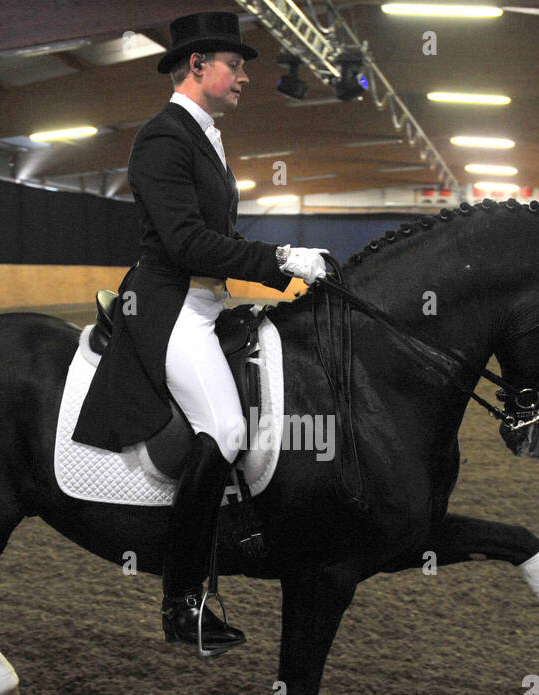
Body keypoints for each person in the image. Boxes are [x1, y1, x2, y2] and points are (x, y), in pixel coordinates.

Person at [71, 11, 329, 656]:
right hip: (170, 307)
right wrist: (279, 261)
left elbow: (219, 241)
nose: (243, 76)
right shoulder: (163, 137)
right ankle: (182, 599)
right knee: (227, 428)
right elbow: (186, 243)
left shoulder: (205, 136)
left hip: (209, 303)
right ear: (197, 66)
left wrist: (284, 271)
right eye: (234, 65)